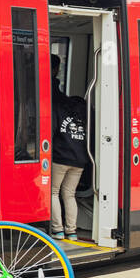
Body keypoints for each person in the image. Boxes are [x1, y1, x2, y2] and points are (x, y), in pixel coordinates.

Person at [51, 91, 89, 240]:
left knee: (54, 192)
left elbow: (52, 131)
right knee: (69, 194)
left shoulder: (59, 110)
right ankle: (71, 231)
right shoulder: (84, 115)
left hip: (60, 158)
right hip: (79, 161)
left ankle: (57, 229)